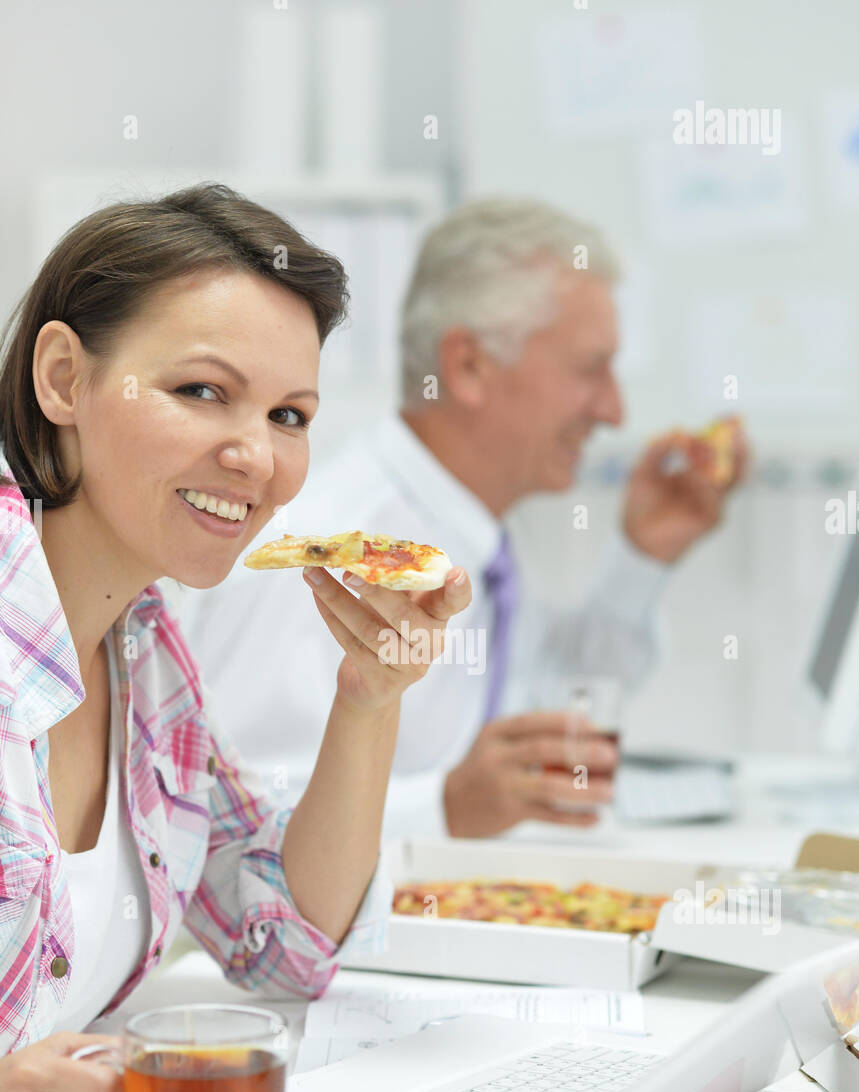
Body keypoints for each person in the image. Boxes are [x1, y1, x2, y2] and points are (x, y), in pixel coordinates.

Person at [0, 182, 471, 1092]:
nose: (255, 456)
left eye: (288, 414)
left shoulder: (148, 652)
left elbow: (284, 946)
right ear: (64, 377)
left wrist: (369, 697)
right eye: (202, 392)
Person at [179, 198, 746, 839]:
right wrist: (443, 810)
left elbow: (549, 704)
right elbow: (220, 820)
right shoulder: (322, 553)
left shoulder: (476, 529)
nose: (615, 411)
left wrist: (646, 556)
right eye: (591, 370)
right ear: (470, 366)